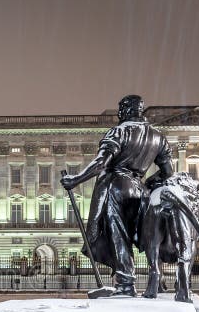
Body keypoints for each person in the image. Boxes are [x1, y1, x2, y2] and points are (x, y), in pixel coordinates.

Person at [61, 94, 174, 297]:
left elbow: (101, 163)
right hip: (139, 190)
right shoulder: (158, 136)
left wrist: (75, 180)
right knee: (146, 237)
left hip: (116, 186)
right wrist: (148, 183)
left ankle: (125, 283)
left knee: (119, 235)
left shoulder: (120, 131)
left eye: (121, 110)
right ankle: (156, 279)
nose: (119, 113)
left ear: (126, 111)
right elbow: (168, 172)